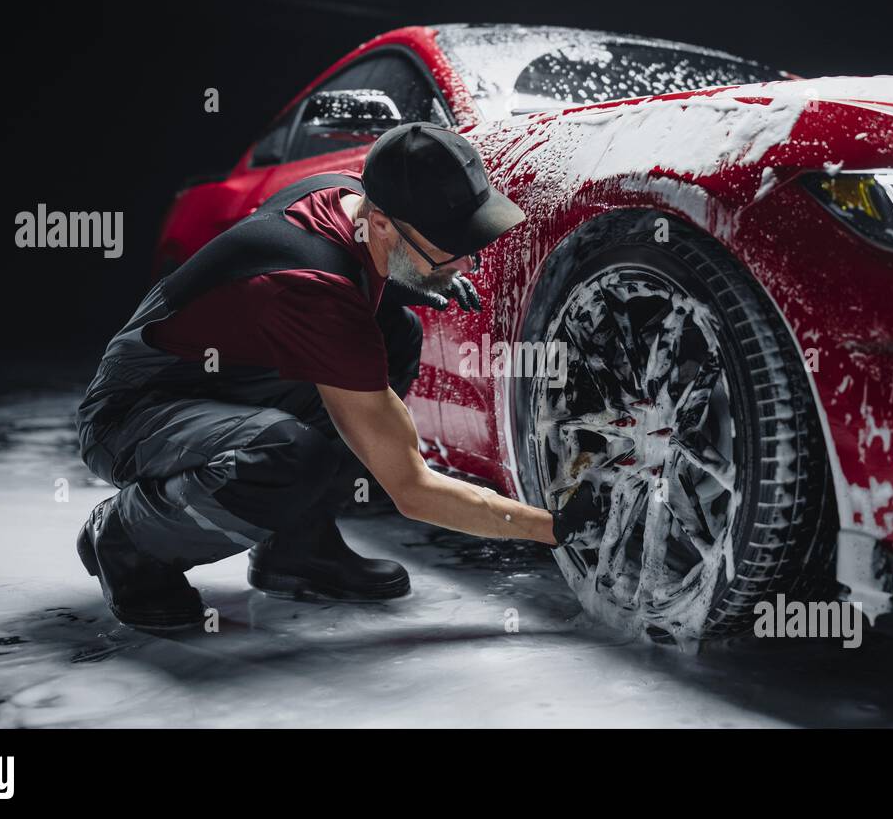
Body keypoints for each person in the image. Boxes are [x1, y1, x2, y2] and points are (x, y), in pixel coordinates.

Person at [74, 122, 584, 631]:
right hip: (130, 415)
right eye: (452, 245)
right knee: (285, 454)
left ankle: (297, 550)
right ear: (382, 224)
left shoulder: (345, 194)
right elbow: (412, 488)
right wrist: (551, 527)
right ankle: (127, 541)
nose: (469, 261)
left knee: (395, 331)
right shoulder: (314, 289)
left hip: (218, 380)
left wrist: (407, 282)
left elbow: (270, 292)